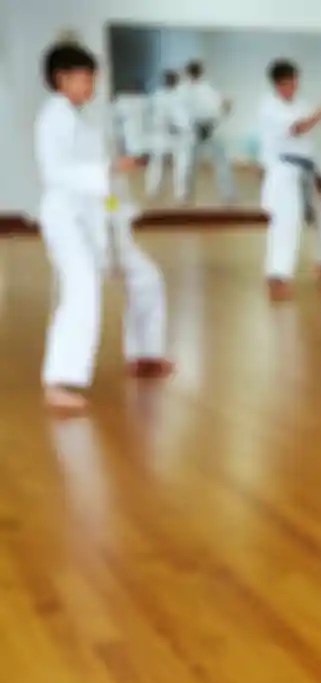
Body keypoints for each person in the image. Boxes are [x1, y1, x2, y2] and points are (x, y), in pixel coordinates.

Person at [37, 43, 173, 412]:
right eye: (84, 77)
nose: (90, 84)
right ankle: (59, 380)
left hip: (100, 219)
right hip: (68, 221)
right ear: (60, 78)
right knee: (82, 291)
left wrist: (119, 211)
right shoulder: (54, 117)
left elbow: (104, 185)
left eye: (92, 77)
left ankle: (145, 353)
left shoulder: (86, 121)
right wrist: (109, 170)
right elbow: (57, 173)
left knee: (146, 276)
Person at [257, 59, 321, 301]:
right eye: (286, 82)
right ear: (277, 84)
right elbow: (296, 129)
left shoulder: (302, 104)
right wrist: (319, 115)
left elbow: (311, 144)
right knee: (286, 223)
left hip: (307, 169)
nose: (292, 86)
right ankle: (278, 276)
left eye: (294, 81)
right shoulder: (269, 106)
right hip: (283, 170)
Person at [181, 61, 236, 204]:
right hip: (192, 130)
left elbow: (220, 108)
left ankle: (228, 195)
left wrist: (225, 107)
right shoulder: (184, 90)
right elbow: (181, 113)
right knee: (187, 164)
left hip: (210, 128)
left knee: (221, 162)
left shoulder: (208, 88)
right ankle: (185, 195)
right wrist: (191, 127)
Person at [145, 70, 193, 201]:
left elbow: (186, 117)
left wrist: (184, 128)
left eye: (172, 79)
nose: (170, 81)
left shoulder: (181, 96)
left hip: (179, 134)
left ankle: (181, 193)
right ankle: (152, 190)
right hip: (162, 134)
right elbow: (153, 115)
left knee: (181, 165)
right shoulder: (158, 96)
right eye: (168, 79)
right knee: (157, 163)